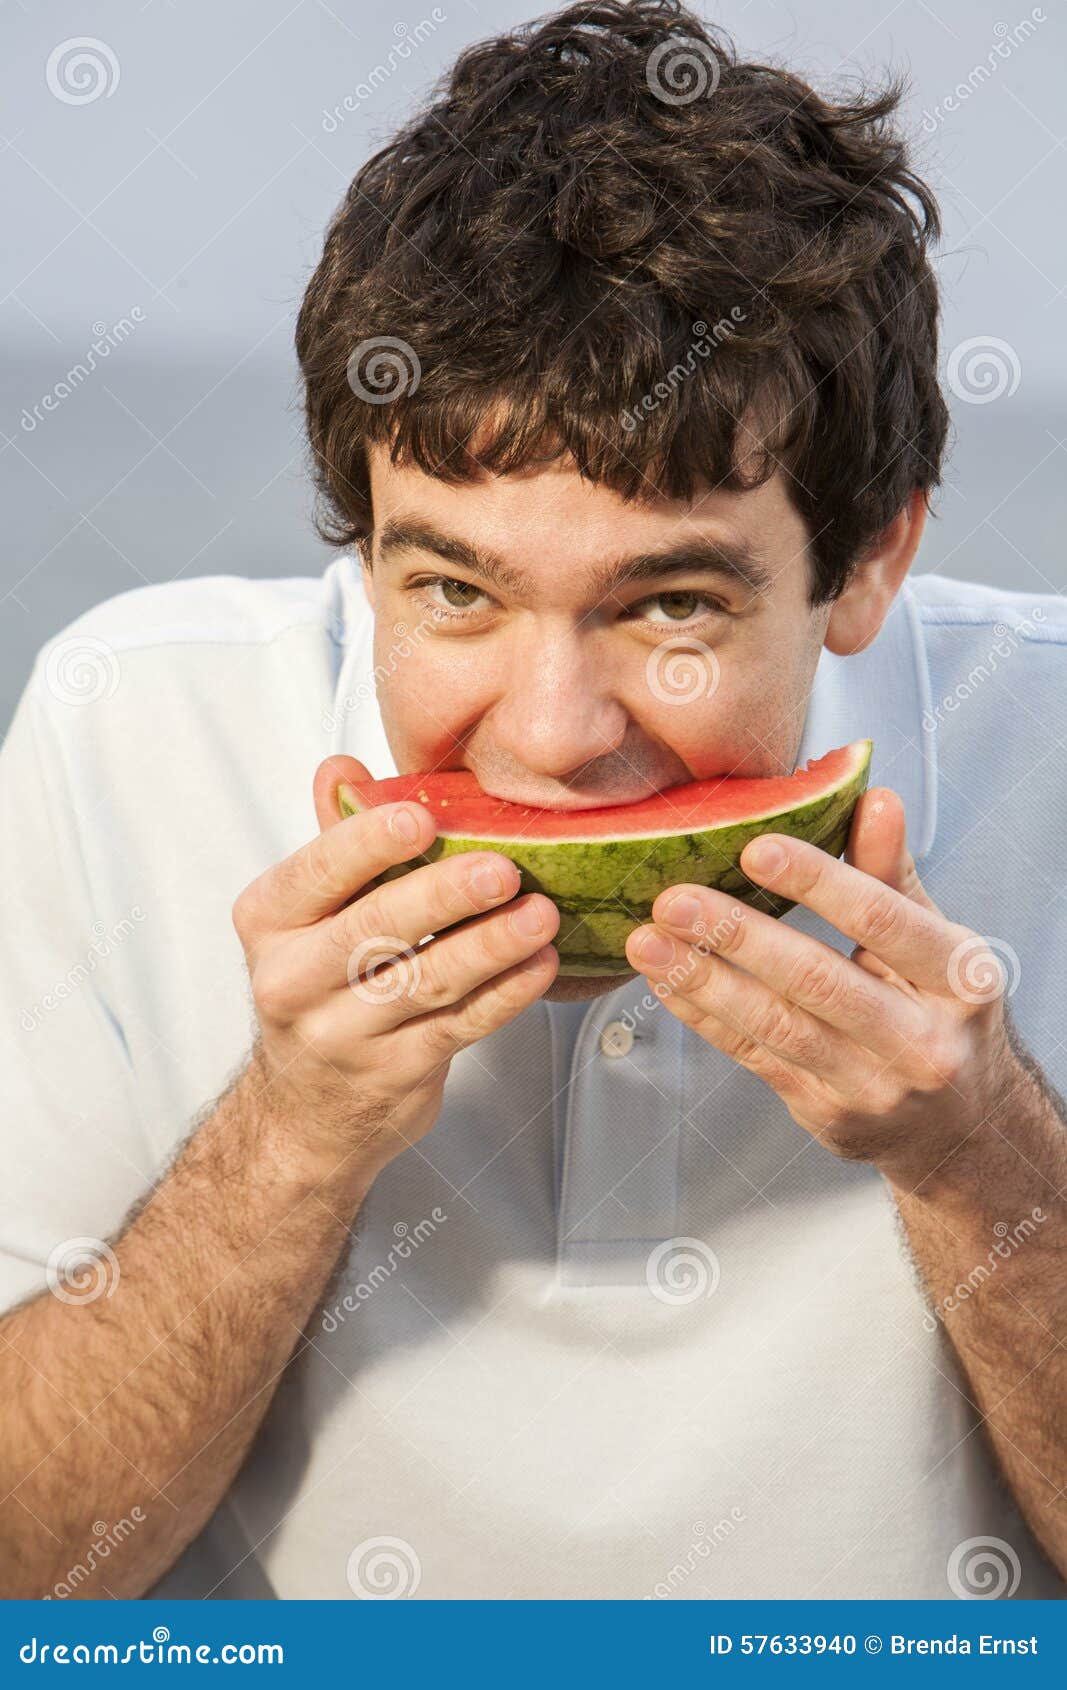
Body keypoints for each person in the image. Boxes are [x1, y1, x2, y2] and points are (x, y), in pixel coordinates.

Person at [1, 0, 1064, 1602]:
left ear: (870, 562)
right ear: (362, 536)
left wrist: (983, 1159)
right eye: (453, 590)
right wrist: (288, 1141)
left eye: (672, 607)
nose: (555, 741)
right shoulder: (124, 726)